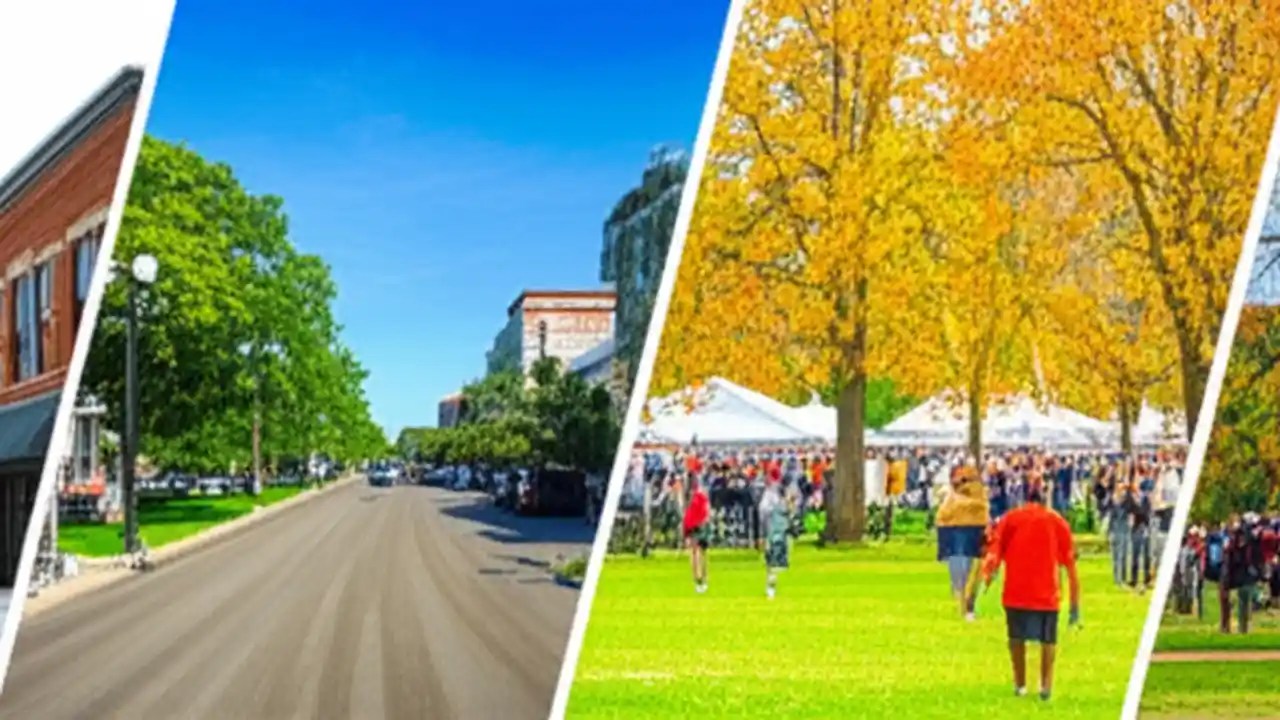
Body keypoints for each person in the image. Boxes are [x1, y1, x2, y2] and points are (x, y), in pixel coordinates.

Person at [982, 484, 1081, 702]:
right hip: (1047, 593)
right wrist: (1075, 603)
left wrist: (987, 577)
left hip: (1017, 590)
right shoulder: (1057, 521)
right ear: (1046, 497)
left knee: (1016, 639)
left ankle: (1020, 684)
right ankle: (1045, 685)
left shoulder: (1011, 518)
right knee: (1048, 641)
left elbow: (995, 552)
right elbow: (1070, 563)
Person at [936, 465, 990, 621]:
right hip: (958, 531)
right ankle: (965, 605)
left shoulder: (976, 495)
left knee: (975, 569)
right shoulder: (951, 497)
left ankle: (968, 603)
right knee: (961, 571)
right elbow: (943, 515)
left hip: (973, 530)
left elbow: (981, 507)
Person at [758, 476, 794, 599]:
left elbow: (763, 515)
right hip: (776, 534)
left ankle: (771, 587)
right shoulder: (774, 500)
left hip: (776, 534)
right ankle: (771, 587)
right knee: (773, 563)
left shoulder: (772, 500)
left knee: (773, 563)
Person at [683, 478, 712, 593]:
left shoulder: (698, 497)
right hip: (695, 526)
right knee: (697, 553)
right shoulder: (697, 497)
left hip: (698, 525)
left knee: (698, 553)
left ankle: (701, 579)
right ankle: (699, 579)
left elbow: (705, 511)